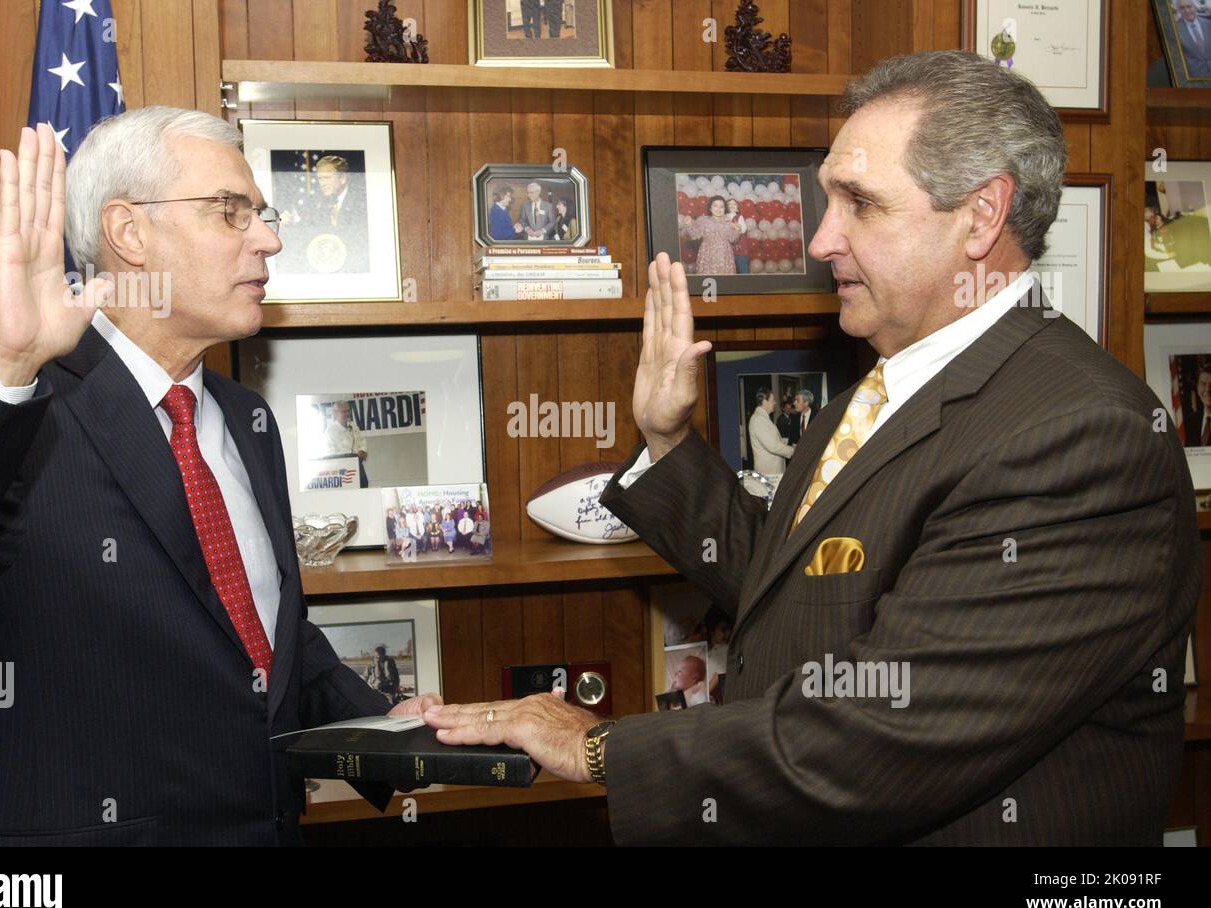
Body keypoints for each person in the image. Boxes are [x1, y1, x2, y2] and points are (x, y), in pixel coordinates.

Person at [423, 50, 1199, 845]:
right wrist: (666, 438)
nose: (821, 238)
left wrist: (595, 746)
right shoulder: (880, 386)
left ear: (982, 216)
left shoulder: (1080, 437)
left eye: (859, 203)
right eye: (828, 199)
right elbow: (797, 584)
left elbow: (886, 737)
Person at [0, 110, 441, 845]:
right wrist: (3, 371)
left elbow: (262, 642)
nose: (271, 238)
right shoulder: (9, 409)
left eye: (263, 213)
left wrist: (393, 731)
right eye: (232, 212)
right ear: (129, 232)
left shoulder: (246, 418)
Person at [746, 387, 793, 497]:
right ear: (764, 401)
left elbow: (773, 441)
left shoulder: (763, 419)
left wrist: (788, 443)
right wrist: (793, 451)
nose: (775, 403)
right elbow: (773, 446)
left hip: (772, 473)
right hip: (770, 474)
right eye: (773, 400)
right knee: (773, 509)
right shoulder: (758, 420)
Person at [685, 196, 743, 276]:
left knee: (724, 282)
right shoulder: (703, 221)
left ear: (724, 209)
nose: (718, 209)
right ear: (710, 207)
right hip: (707, 254)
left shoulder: (728, 222)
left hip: (724, 255)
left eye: (721, 206)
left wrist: (737, 230)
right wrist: (689, 224)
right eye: (715, 205)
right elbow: (695, 235)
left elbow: (732, 239)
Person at [323, 400, 368, 487]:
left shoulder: (354, 426)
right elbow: (331, 454)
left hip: (358, 466)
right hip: (343, 470)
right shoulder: (330, 431)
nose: (347, 414)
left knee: (364, 487)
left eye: (348, 411)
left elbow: (362, 440)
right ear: (335, 413)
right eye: (344, 411)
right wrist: (350, 456)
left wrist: (362, 450)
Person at [1173, 0, 1211, 78]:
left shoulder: (1208, 23)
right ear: (1178, 10)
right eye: (1182, 8)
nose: (1186, 11)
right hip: (1195, 76)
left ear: (1195, 7)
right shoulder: (1175, 30)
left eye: (1189, 6)